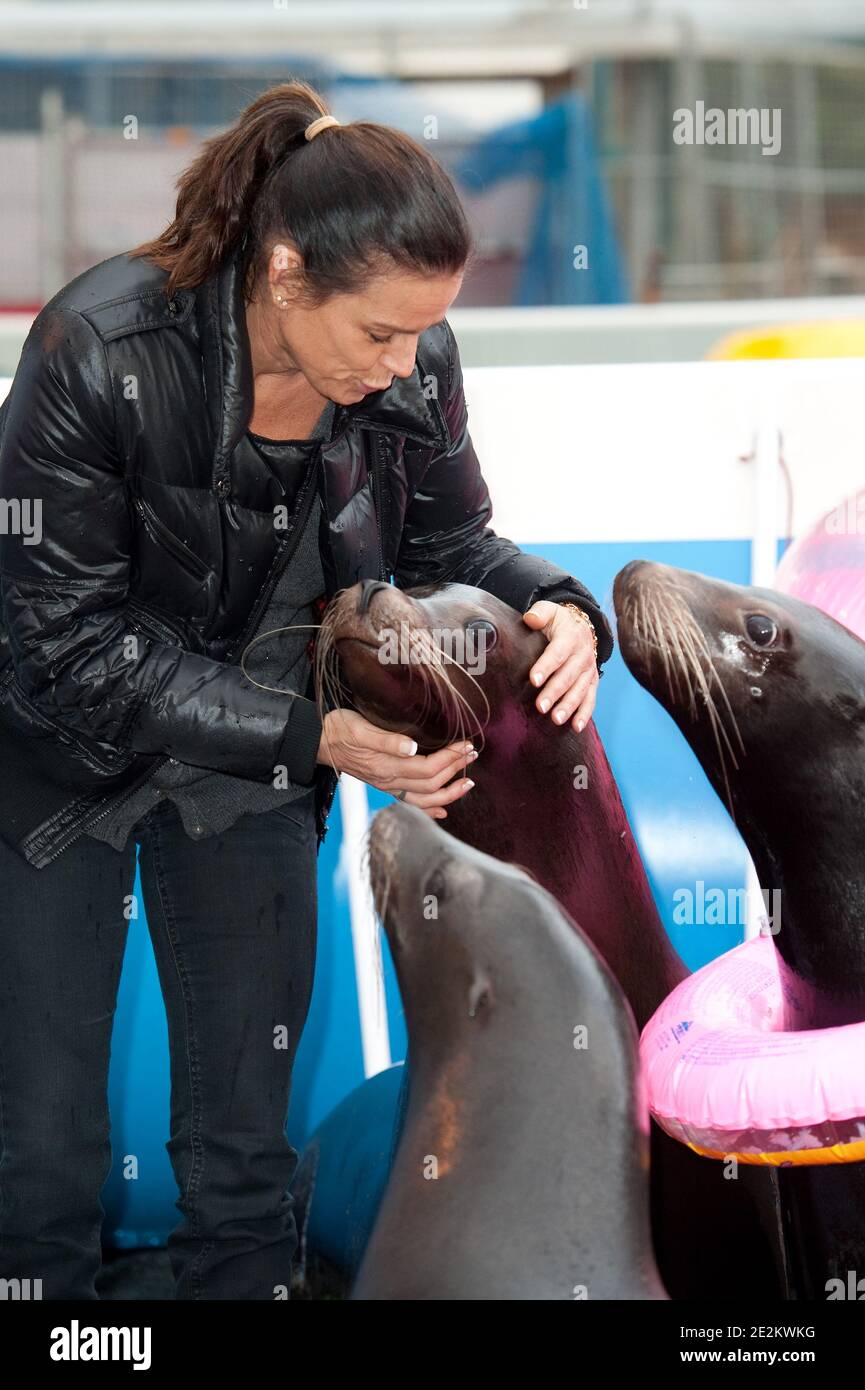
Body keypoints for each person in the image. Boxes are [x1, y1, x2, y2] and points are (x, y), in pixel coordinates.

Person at [0, 80, 614, 1300]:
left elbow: (451, 546)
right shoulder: (95, 346)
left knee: (244, 1158)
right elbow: (66, 645)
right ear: (285, 273)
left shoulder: (414, 359)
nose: (404, 366)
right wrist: (317, 732)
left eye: (422, 335)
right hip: (60, 760)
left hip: (260, 767)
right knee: (41, 1154)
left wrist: (560, 603)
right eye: (380, 335)